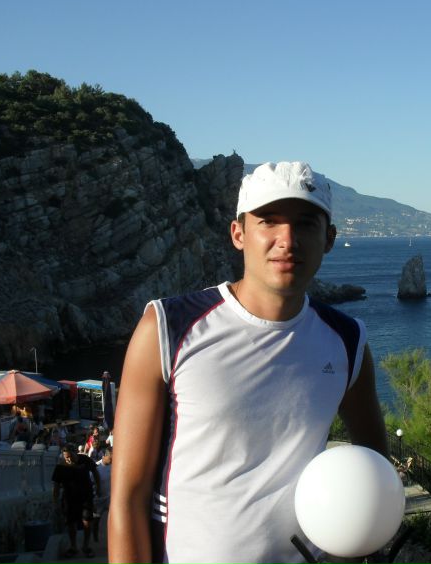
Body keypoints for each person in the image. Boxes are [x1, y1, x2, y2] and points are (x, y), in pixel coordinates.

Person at [110, 161, 388, 564]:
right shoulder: (168, 328)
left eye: (305, 224)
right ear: (238, 234)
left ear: (328, 238)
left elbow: (374, 473)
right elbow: (128, 498)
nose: (287, 240)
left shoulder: (347, 341)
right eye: (268, 221)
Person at [52, 444, 101, 559]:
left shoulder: (85, 460)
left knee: (87, 521)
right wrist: (55, 500)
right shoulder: (61, 466)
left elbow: (95, 472)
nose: (68, 460)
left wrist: (98, 487)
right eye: (66, 457)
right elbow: (56, 485)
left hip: (86, 497)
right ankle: (73, 546)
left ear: (76, 453)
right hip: (69, 498)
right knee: (71, 523)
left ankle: (86, 546)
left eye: (70, 457)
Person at [92, 447, 112, 543]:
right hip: (98, 499)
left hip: (110, 498)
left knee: (113, 519)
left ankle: (112, 538)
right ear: (104, 456)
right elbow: (91, 484)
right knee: (96, 519)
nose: (112, 460)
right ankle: (95, 538)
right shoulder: (96, 468)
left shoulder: (114, 467)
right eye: (110, 458)